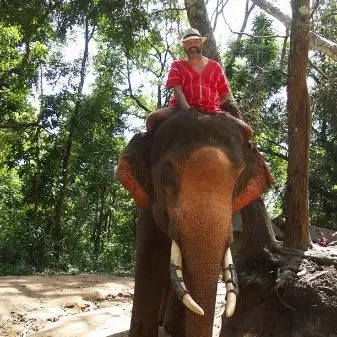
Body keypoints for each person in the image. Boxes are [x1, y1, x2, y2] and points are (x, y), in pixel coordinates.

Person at [145, 27, 253, 139]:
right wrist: (187, 110)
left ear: (201, 43)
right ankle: (146, 149)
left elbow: (225, 94)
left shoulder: (216, 67)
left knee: (247, 131)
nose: (192, 45)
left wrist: (211, 105)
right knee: (152, 119)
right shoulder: (177, 65)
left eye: (195, 41)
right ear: (184, 46)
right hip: (179, 108)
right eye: (188, 43)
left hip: (212, 110)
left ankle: (255, 155)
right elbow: (177, 90)